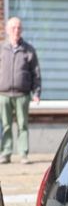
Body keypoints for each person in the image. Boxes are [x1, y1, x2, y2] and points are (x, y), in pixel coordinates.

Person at [0, 17, 40, 165]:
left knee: (23, 125)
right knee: (6, 125)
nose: (16, 30)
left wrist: (36, 93)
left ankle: (23, 154)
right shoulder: (1, 48)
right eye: (13, 28)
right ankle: (6, 153)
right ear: (7, 30)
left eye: (19, 28)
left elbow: (36, 74)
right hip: (3, 95)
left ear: (22, 30)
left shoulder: (29, 50)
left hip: (22, 95)